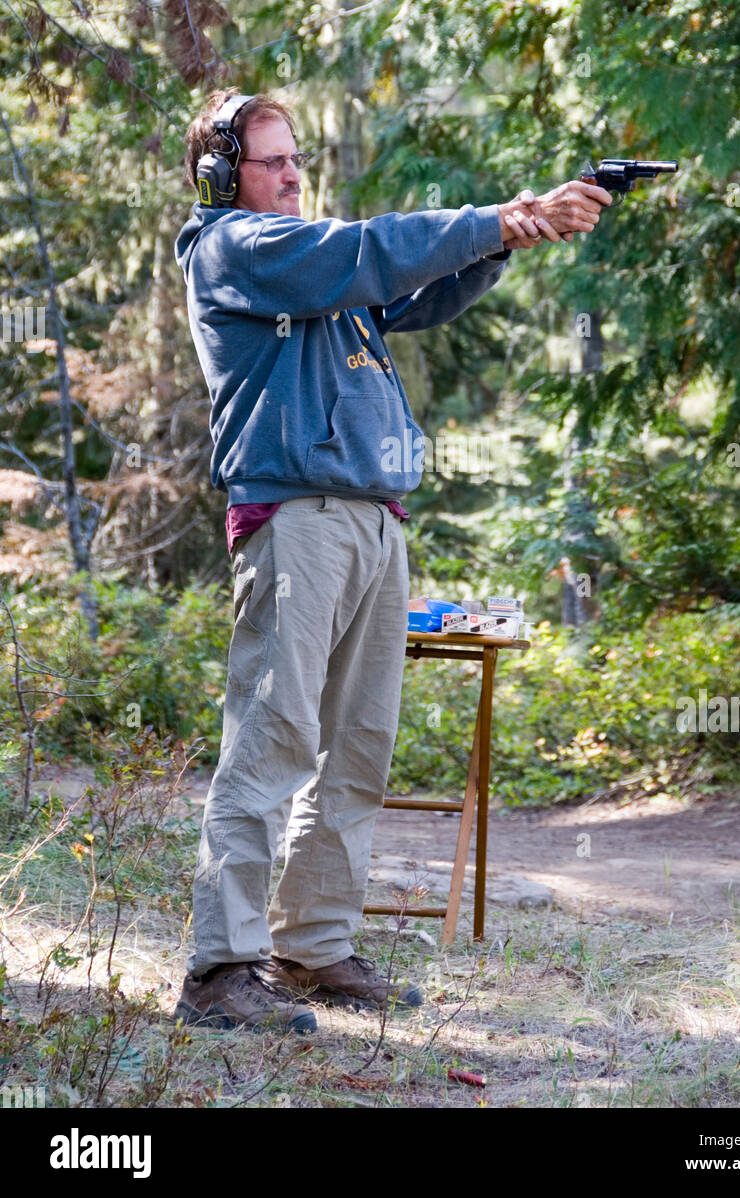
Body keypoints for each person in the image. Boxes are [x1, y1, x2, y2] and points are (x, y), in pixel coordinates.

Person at [173, 87, 612, 1034]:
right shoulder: (236, 249)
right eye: (271, 160)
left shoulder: (311, 265)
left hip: (373, 520)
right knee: (273, 737)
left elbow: (416, 289)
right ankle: (219, 970)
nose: (293, 173)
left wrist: (508, 237)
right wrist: (494, 215)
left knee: (359, 745)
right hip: (298, 520)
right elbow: (367, 253)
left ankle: (314, 945)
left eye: (297, 158)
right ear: (221, 175)